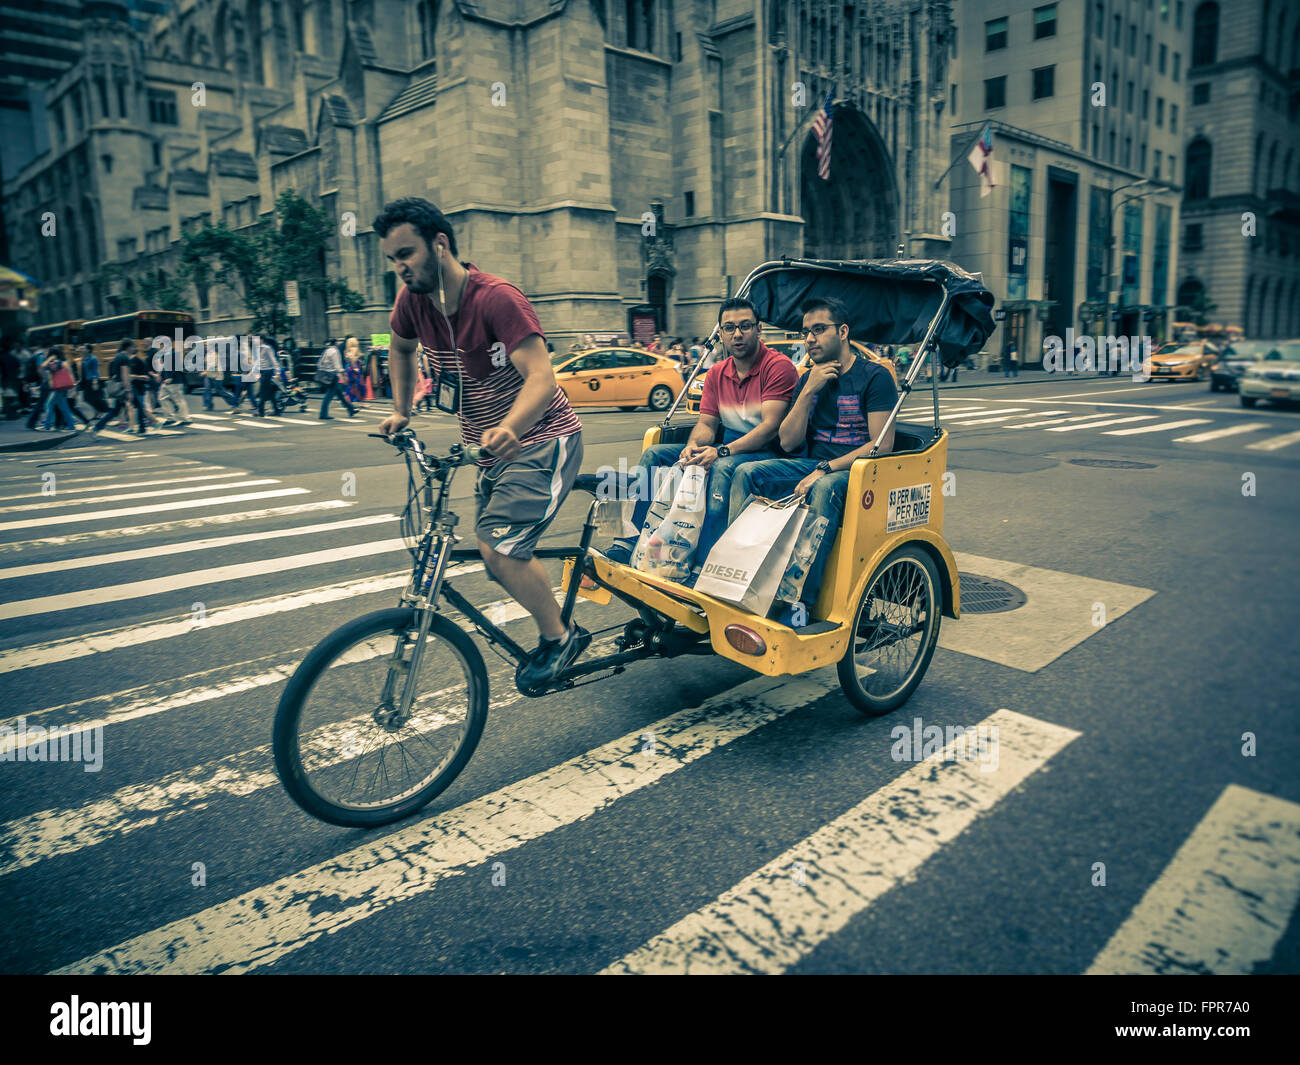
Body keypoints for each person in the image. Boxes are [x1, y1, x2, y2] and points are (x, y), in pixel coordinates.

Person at [373, 195, 586, 691]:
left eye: (406, 253)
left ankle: (562, 637)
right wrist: (403, 409)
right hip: (486, 448)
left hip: (543, 438)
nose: (399, 267)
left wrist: (511, 426)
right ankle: (545, 609)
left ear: (439, 243)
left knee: (499, 549)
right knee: (498, 557)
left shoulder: (496, 298)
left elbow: (541, 376)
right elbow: (401, 350)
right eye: (393, 259)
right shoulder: (412, 304)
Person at [604, 296, 799, 581]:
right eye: (729, 327)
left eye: (745, 326)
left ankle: (704, 564)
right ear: (720, 334)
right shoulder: (716, 374)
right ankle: (628, 541)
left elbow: (770, 428)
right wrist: (694, 446)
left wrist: (720, 452)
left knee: (721, 467)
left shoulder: (777, 367)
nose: (738, 334)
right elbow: (707, 422)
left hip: (766, 453)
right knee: (654, 455)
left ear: (759, 330)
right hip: (726, 448)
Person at [730, 297, 898, 625]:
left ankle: (799, 604)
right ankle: (738, 576)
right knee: (745, 473)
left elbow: (881, 445)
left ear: (844, 331)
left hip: (857, 473)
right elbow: (789, 441)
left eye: (819, 330)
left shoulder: (874, 377)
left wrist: (826, 468)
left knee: (824, 489)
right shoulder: (808, 377)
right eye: (806, 332)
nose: (810, 339)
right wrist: (809, 391)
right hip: (814, 465)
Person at [316, 338, 356, 419]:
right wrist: (343, 373)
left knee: (339, 394)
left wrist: (325, 369)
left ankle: (351, 409)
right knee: (329, 396)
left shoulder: (327, 350)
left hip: (326, 374)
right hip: (332, 376)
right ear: (336, 343)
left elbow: (319, 363)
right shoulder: (335, 351)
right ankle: (323, 414)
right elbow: (337, 366)